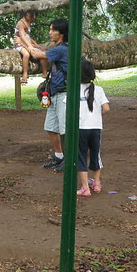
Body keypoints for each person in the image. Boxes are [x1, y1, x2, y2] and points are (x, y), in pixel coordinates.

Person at [35, 18, 68, 171]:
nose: (50, 33)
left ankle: (69, 159)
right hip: (54, 93)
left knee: (64, 129)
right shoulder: (58, 48)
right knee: (51, 127)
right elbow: (44, 52)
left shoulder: (61, 49)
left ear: (61, 33)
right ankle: (59, 155)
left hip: (64, 95)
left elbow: (40, 55)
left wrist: (28, 48)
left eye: (52, 30)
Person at [76, 58, 110, 197]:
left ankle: (85, 188)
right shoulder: (99, 89)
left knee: (81, 156)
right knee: (96, 155)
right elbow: (107, 108)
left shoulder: (74, 89)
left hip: (81, 128)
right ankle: (96, 183)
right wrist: (97, 115)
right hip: (96, 128)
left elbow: (68, 108)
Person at [13, 10, 49, 84]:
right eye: (32, 16)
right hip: (20, 44)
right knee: (26, 54)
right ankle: (25, 74)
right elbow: (22, 36)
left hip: (27, 43)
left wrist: (35, 44)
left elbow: (28, 36)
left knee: (42, 53)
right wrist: (29, 46)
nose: (33, 18)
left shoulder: (29, 23)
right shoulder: (21, 23)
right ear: (27, 14)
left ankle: (45, 73)